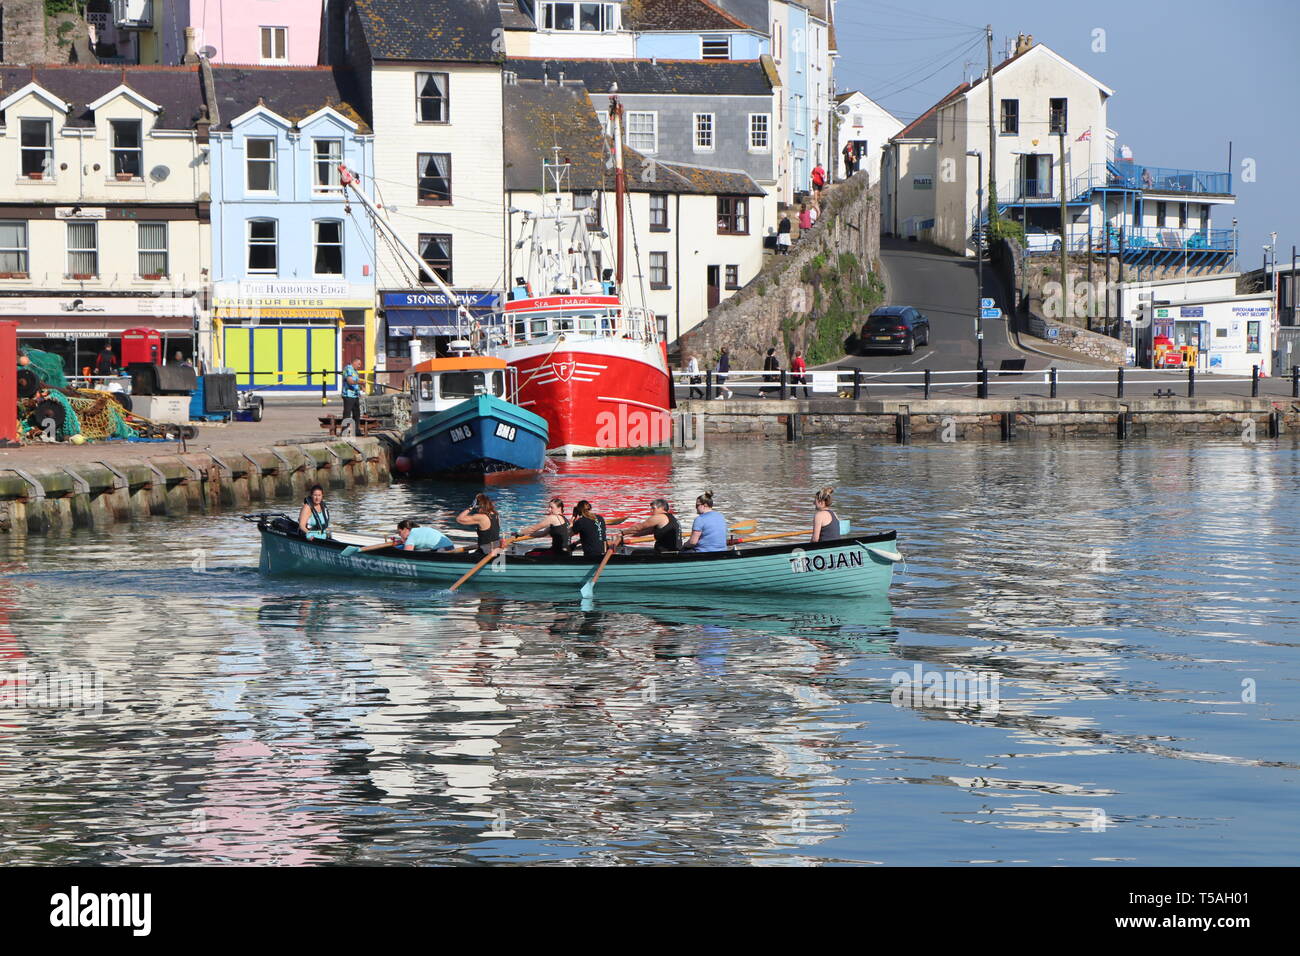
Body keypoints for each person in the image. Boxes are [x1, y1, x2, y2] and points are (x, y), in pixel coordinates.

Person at [616, 498, 681, 553]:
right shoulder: (671, 518)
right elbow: (647, 531)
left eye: (653, 508)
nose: (651, 511)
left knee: (633, 552)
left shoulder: (659, 517)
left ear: (662, 508)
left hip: (664, 553)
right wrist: (627, 536)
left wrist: (622, 533)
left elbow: (639, 527)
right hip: (674, 551)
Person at [341, 360, 362, 430]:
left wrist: (361, 387)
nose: (359, 366)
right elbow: (350, 381)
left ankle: (356, 431)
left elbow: (356, 382)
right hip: (348, 395)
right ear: (354, 362)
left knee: (357, 414)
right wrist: (358, 382)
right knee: (347, 414)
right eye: (358, 364)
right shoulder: (348, 369)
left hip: (355, 395)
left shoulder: (355, 371)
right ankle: (344, 430)